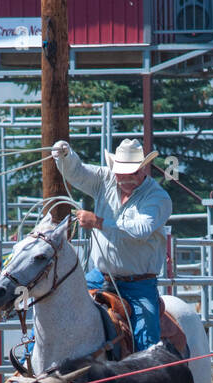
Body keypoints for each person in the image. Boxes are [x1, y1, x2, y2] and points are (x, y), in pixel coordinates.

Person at [51, 138, 172, 351]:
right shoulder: (104, 179)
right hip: (100, 276)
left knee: (147, 344)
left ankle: (146, 377)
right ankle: (29, 358)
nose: (125, 178)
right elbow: (76, 172)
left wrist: (98, 222)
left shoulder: (158, 198)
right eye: (121, 173)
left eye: (132, 173)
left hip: (138, 286)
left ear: (144, 169)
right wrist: (65, 155)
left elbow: (141, 229)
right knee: (57, 306)